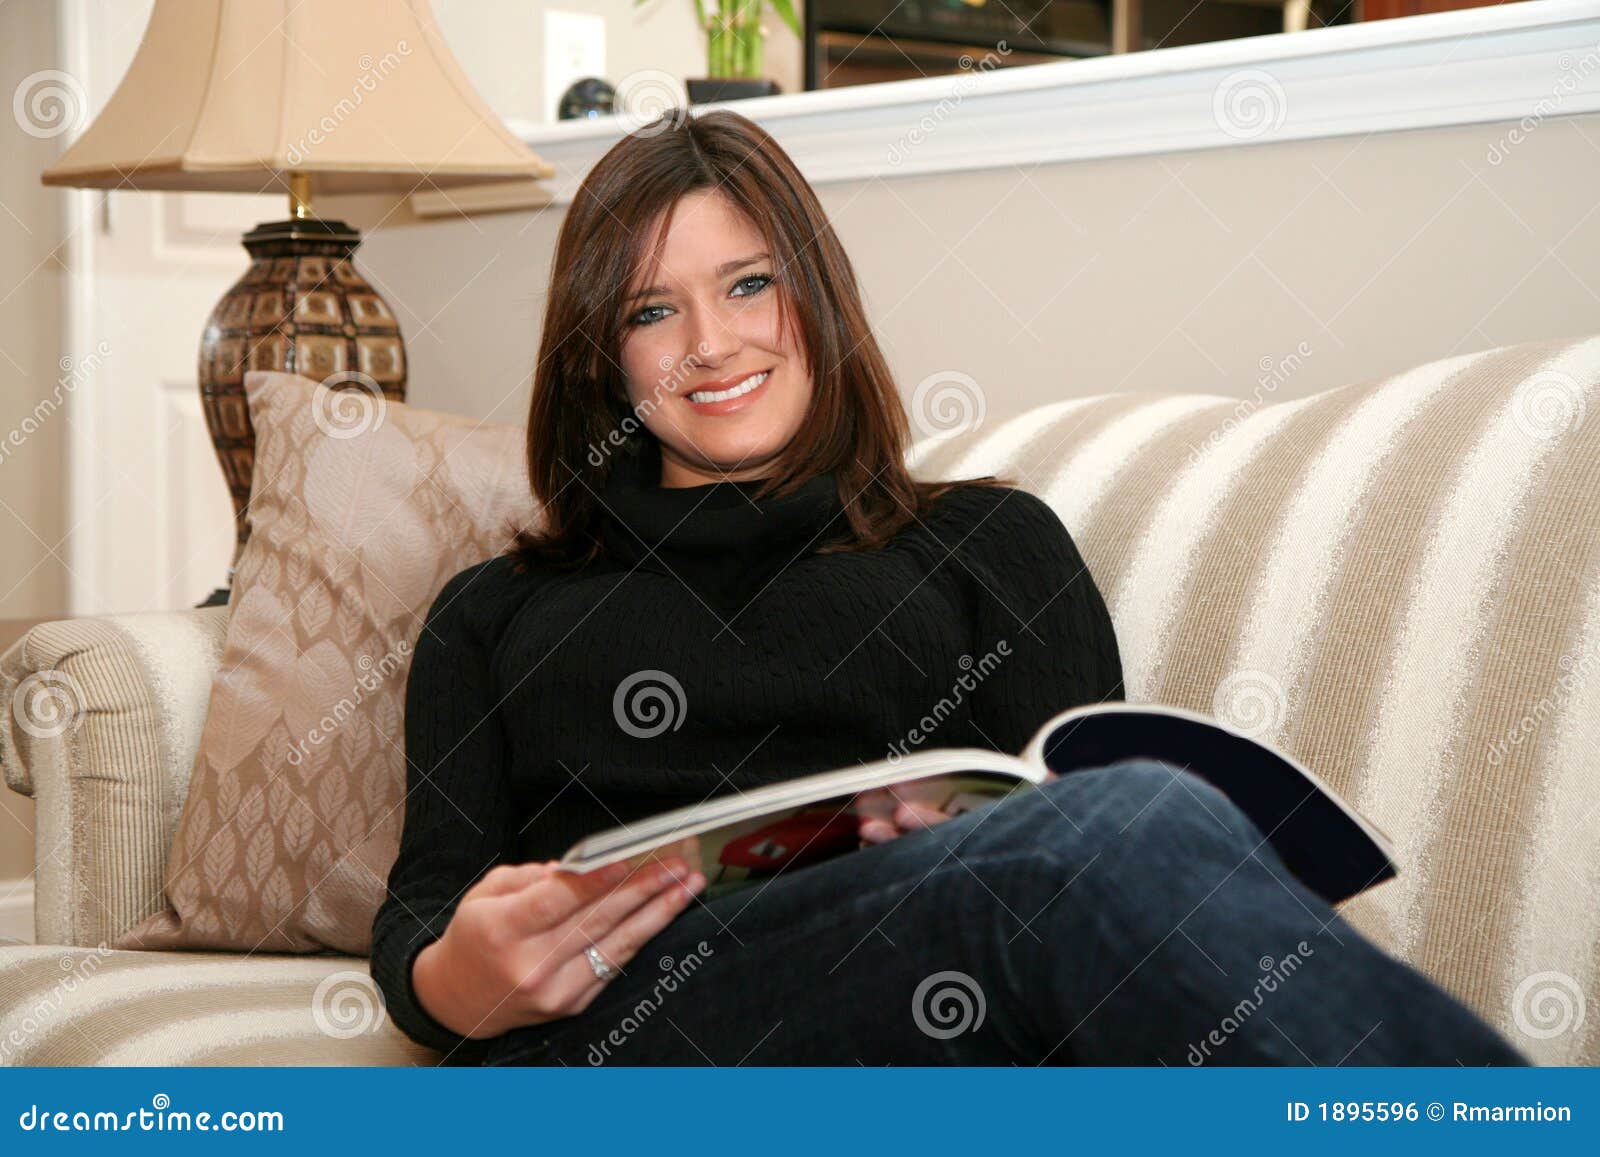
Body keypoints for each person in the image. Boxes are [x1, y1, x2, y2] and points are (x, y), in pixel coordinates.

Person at [368, 108, 1525, 1067]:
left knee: (1123, 825)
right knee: (1128, 825)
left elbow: (1068, 805)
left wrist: (964, 847)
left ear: (815, 297)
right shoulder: (496, 609)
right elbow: (421, 922)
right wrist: (463, 976)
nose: (710, 343)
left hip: (927, 998)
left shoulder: (990, 541)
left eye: (749, 284)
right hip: (617, 1034)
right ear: (603, 354)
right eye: (651, 309)